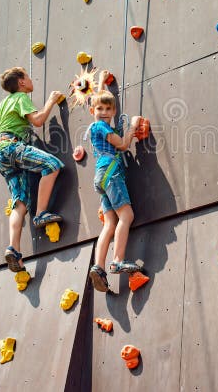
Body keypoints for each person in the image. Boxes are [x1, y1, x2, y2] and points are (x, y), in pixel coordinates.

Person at [0, 67, 64, 272]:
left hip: (1, 154)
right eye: (28, 77)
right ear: (21, 83)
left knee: (19, 202)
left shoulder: (6, 102)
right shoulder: (21, 97)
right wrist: (51, 100)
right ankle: (40, 213)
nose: (31, 80)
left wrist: (5, 104)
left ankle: (13, 248)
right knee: (52, 165)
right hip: (13, 147)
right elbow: (38, 121)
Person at [86, 69, 142, 292]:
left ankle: (98, 267)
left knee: (110, 223)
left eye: (108, 109)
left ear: (113, 110)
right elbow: (123, 145)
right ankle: (117, 260)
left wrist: (101, 83)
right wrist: (133, 127)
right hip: (111, 174)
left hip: (100, 177)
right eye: (100, 109)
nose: (104, 111)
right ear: (93, 110)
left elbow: (97, 99)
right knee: (126, 215)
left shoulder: (96, 125)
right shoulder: (101, 126)